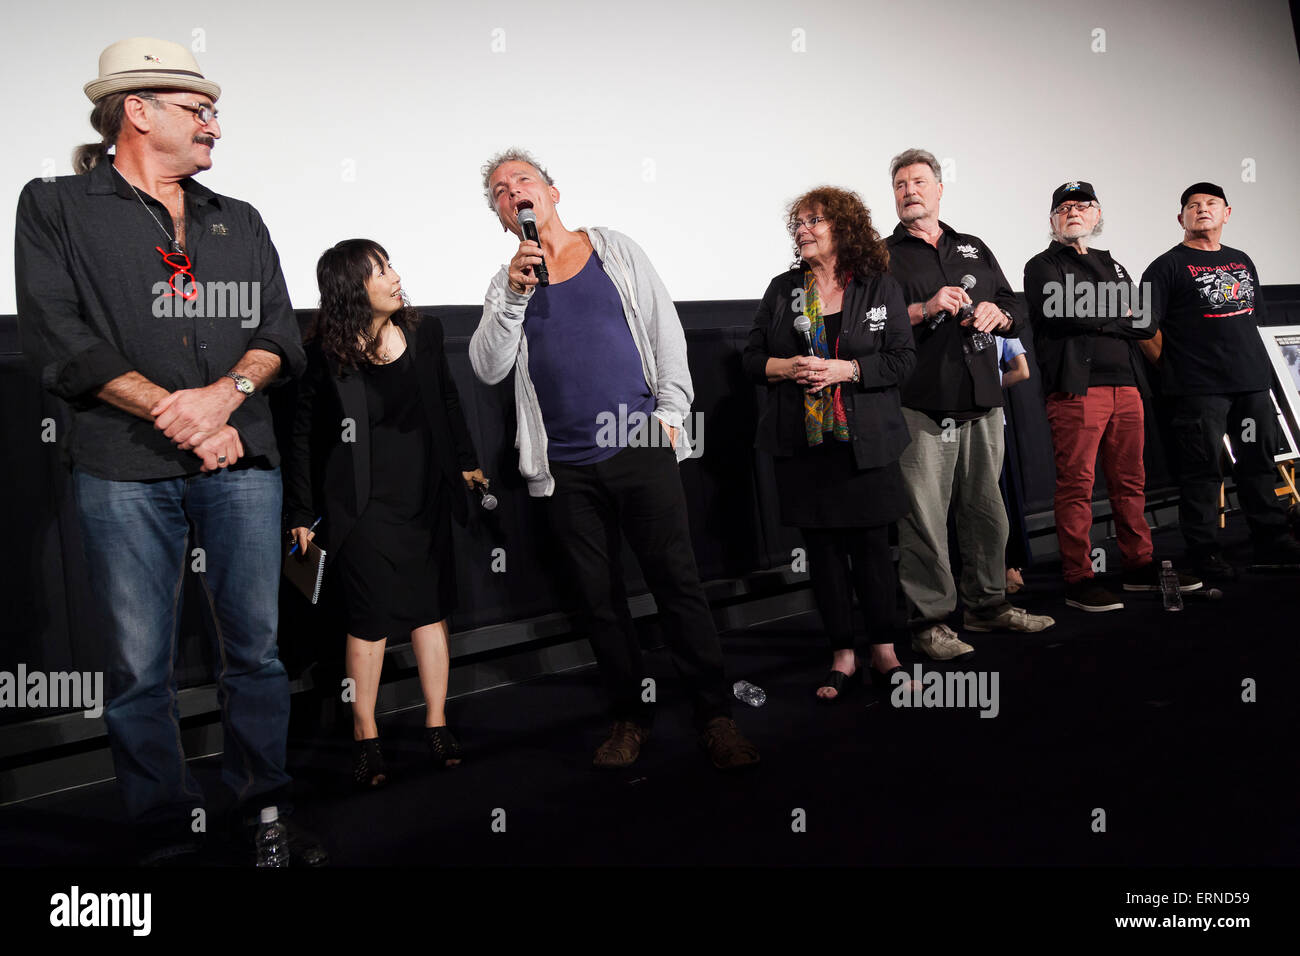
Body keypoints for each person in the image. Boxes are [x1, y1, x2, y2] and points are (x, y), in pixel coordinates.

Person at [14, 38, 320, 863]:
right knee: (138, 666)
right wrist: (174, 411)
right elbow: (59, 337)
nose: (214, 125)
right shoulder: (55, 206)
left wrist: (226, 396)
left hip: (242, 460)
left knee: (256, 653)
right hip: (121, 466)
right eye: (198, 110)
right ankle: (164, 828)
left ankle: (265, 811)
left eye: (213, 111)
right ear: (137, 111)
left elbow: (278, 334)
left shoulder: (238, 218)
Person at [469, 148, 758, 770]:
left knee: (677, 586)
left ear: (551, 192)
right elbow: (488, 367)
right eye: (499, 190)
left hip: (641, 444)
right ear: (500, 215)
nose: (512, 192)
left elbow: (663, 329)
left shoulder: (613, 250)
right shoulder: (506, 283)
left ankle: (715, 717)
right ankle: (630, 719)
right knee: (600, 602)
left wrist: (672, 417)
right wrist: (514, 295)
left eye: (522, 180)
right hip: (565, 469)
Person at [284, 240, 486, 787]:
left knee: (430, 610)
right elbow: (300, 437)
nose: (395, 277)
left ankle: (437, 723)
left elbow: (448, 401)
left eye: (390, 264)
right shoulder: (324, 355)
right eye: (379, 270)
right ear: (352, 288)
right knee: (369, 619)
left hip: (425, 494)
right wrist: (300, 510)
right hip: (361, 508)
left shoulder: (425, 333)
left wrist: (466, 462)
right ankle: (366, 734)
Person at [743, 187, 915, 701]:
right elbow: (752, 359)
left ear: (843, 227)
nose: (803, 230)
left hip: (865, 442)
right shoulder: (783, 289)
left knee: (872, 550)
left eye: (814, 220)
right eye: (797, 222)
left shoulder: (878, 285)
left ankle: (884, 651)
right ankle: (842, 654)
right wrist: (787, 367)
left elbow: (903, 359)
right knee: (823, 553)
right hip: (805, 445)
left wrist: (848, 370)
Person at [885, 148, 1055, 661]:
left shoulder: (972, 247)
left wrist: (999, 315)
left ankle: (988, 606)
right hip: (920, 405)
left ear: (939, 189)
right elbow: (871, 325)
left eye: (919, 182)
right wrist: (923, 308)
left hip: (982, 401)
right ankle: (930, 623)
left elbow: (1014, 303)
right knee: (924, 523)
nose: (909, 191)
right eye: (900, 185)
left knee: (987, 512)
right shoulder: (882, 256)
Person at [1024, 181, 1202, 611]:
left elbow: (1145, 322)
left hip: (1127, 387)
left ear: (1097, 215)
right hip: (1077, 389)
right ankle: (1079, 578)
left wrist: (1097, 312)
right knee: (1077, 486)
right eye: (1064, 207)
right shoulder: (1041, 265)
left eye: (1082, 205)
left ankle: (1139, 566)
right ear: (1052, 220)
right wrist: (1115, 312)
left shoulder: (1113, 264)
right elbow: (1062, 312)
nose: (1073, 212)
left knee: (1130, 482)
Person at [1140, 182, 1300, 578]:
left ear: (1227, 213)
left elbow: (1254, 318)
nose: (1202, 209)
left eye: (1211, 203)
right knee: (1202, 472)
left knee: (1258, 463)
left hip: (1251, 385)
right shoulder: (1165, 266)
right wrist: (1175, 368)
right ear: (1181, 218)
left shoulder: (1241, 260)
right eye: (1193, 205)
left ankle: (1271, 542)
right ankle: (1204, 552)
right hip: (1199, 391)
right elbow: (1144, 328)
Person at [994, 334, 1031, 595]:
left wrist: (987, 385)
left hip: (993, 420)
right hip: (952, 423)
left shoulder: (1000, 321)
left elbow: (1023, 371)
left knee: (999, 499)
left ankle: (1008, 565)